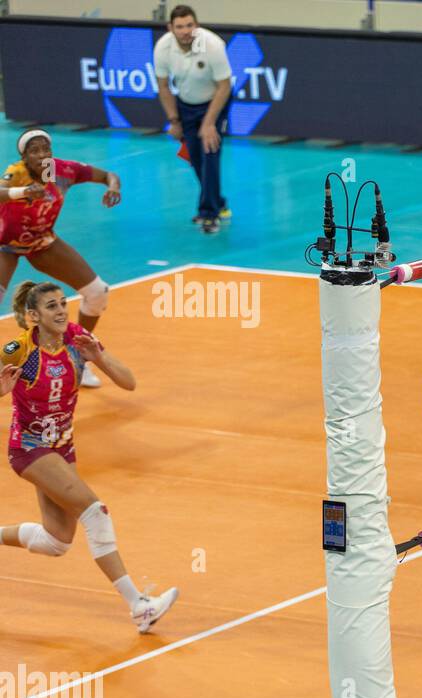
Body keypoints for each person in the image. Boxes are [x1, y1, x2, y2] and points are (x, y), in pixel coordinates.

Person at [1, 281, 179, 633]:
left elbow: (129, 383)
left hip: (63, 446)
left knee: (56, 541)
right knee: (95, 512)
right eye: (51, 306)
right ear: (33, 316)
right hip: (30, 447)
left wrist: (99, 356)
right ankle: (138, 606)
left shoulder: (77, 340)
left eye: (62, 303)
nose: (61, 311)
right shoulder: (18, 351)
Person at [0, 130, 121, 388]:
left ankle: (78, 360)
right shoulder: (16, 173)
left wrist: (113, 186)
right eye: (34, 150)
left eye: (46, 149)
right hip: (4, 246)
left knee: (98, 292)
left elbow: (108, 175)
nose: (42, 155)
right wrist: (21, 192)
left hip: (41, 242)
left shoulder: (64, 171)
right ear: (24, 156)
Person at [154, 5, 232, 234]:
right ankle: (219, 202)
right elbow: (163, 86)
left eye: (190, 25)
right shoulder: (162, 48)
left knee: (210, 152)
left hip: (215, 102)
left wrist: (209, 124)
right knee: (195, 157)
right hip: (186, 105)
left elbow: (224, 86)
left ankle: (209, 213)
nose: (186, 31)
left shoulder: (212, 45)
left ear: (195, 25)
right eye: (180, 27)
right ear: (171, 28)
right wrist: (174, 120)